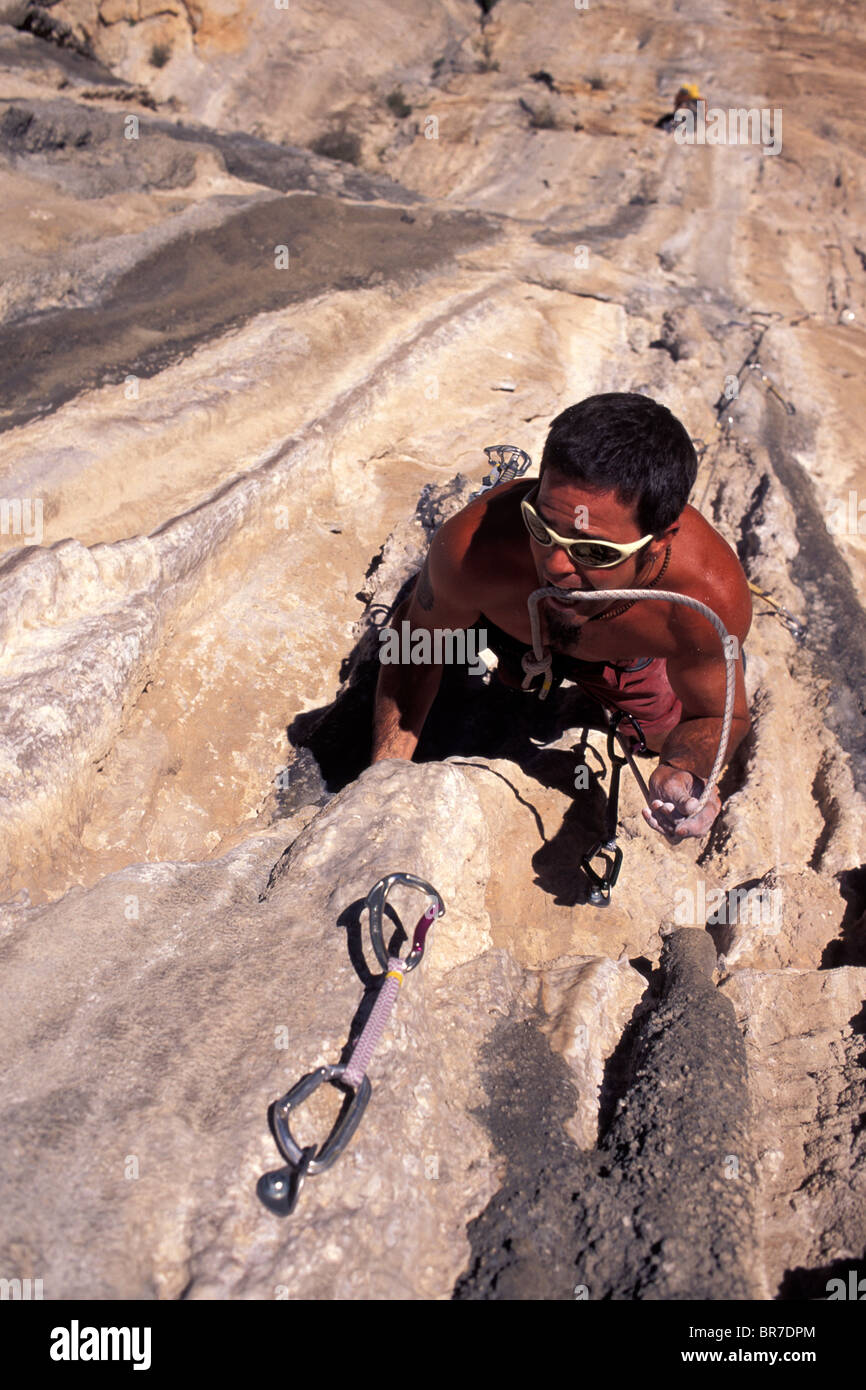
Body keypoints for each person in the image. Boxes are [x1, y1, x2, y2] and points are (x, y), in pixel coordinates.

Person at [371, 393, 752, 840]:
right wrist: (383, 777)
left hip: (615, 654)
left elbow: (716, 714)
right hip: (503, 625)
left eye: (593, 551)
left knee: (658, 736)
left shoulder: (704, 600)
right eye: (540, 526)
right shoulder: (476, 547)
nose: (553, 565)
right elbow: (416, 646)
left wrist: (681, 768)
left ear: (659, 541)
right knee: (432, 619)